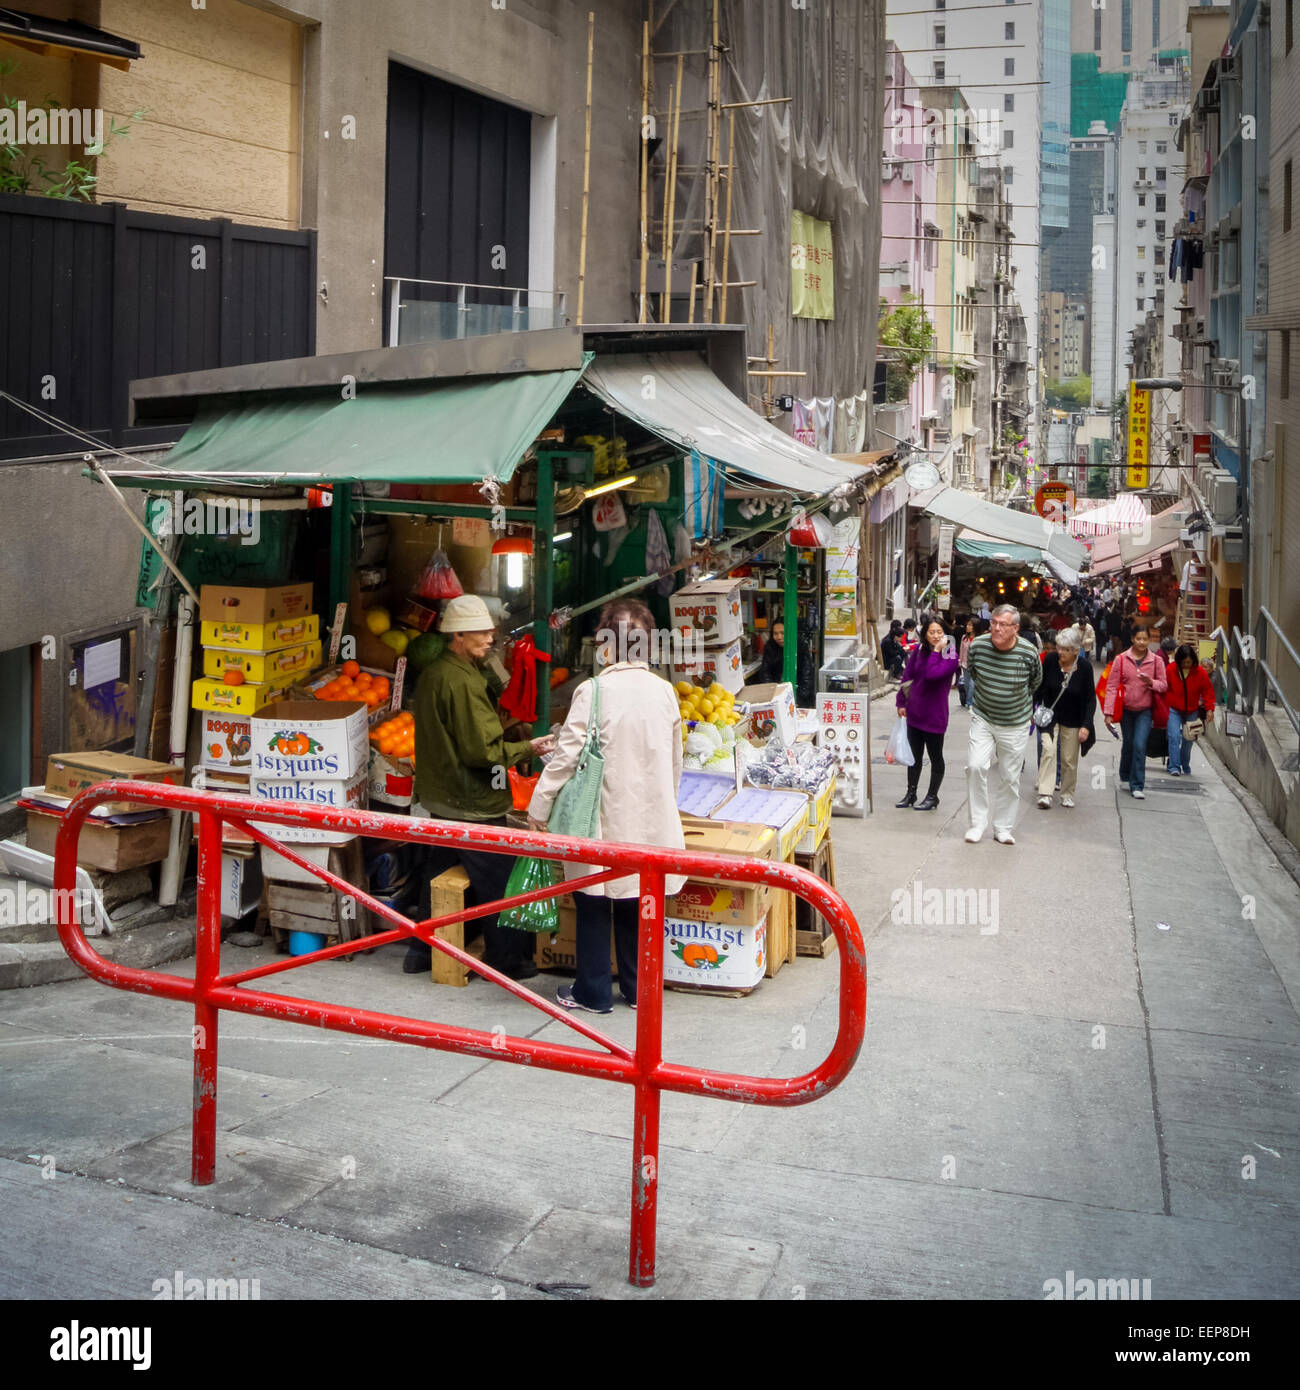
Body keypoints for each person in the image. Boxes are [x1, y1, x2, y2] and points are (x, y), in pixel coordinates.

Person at [527, 599, 686, 1014]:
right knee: (639, 896)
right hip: (651, 817)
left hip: (602, 817)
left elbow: (565, 757)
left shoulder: (593, 690)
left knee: (594, 898)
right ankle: (638, 991)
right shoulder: (665, 691)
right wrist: (665, 801)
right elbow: (675, 761)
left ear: (606, 646)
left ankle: (594, 993)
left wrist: (539, 806)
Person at [408, 594, 556, 979]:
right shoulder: (459, 682)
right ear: (458, 636)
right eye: (481, 632)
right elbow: (482, 752)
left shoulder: (439, 672)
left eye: (490, 630)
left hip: (443, 794)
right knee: (500, 878)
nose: (491, 637)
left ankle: (422, 951)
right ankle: (510, 960)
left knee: (437, 871)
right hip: (471, 799)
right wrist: (528, 746)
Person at [964, 603, 1043, 845]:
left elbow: (1034, 682)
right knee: (976, 766)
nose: (996, 628)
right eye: (993, 623)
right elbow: (974, 674)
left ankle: (1003, 827)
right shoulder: (978, 646)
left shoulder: (1028, 652)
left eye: (1003, 624)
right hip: (984, 717)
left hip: (1015, 722)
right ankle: (977, 824)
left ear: (1015, 628)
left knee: (1010, 776)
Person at [895, 619, 961, 811]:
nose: (935, 636)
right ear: (925, 634)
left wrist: (936, 651)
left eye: (939, 632)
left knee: (935, 756)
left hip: (935, 714)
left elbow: (933, 675)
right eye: (931, 632)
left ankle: (932, 796)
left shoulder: (951, 655)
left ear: (945, 633)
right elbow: (908, 677)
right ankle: (911, 793)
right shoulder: (919, 651)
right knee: (913, 756)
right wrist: (901, 702)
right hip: (915, 711)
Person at [1103, 621, 1167, 800]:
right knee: (1129, 743)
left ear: (1149, 640)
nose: (1141, 642)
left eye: (1145, 639)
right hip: (1126, 710)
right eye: (1138, 638)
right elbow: (1112, 686)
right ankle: (1124, 774)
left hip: (1145, 711)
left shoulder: (1157, 661)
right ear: (1132, 639)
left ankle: (1137, 784)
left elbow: (1164, 685)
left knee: (1139, 745)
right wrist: (1108, 713)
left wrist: (1151, 683)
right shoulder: (1121, 659)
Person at [1034, 627, 1096, 810]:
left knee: (1069, 759)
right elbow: (1040, 686)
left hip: (1074, 718)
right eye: (1059, 647)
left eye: (1066, 649)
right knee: (1048, 751)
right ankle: (1045, 793)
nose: (1060, 652)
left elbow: (1090, 699)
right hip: (1050, 716)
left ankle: (1067, 793)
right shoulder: (1051, 660)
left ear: (1076, 651)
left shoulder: (1084, 668)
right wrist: (1032, 707)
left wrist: (1086, 725)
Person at [1166, 643, 1216, 777]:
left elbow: (1207, 691)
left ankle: (1184, 763)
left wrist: (1210, 709)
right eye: (1184, 662)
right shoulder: (1171, 669)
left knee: (1189, 739)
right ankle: (1174, 766)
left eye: (1189, 662)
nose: (1186, 665)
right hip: (1173, 708)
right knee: (1174, 737)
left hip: (1192, 709)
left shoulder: (1200, 672)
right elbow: (1165, 687)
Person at [958, 617, 977, 708]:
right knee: (966, 684)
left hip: (975, 665)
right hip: (965, 664)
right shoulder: (964, 638)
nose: (967, 626)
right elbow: (961, 650)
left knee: (972, 684)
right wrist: (960, 661)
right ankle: (969, 701)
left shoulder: (978, 638)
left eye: (970, 625)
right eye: (967, 625)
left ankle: (970, 703)